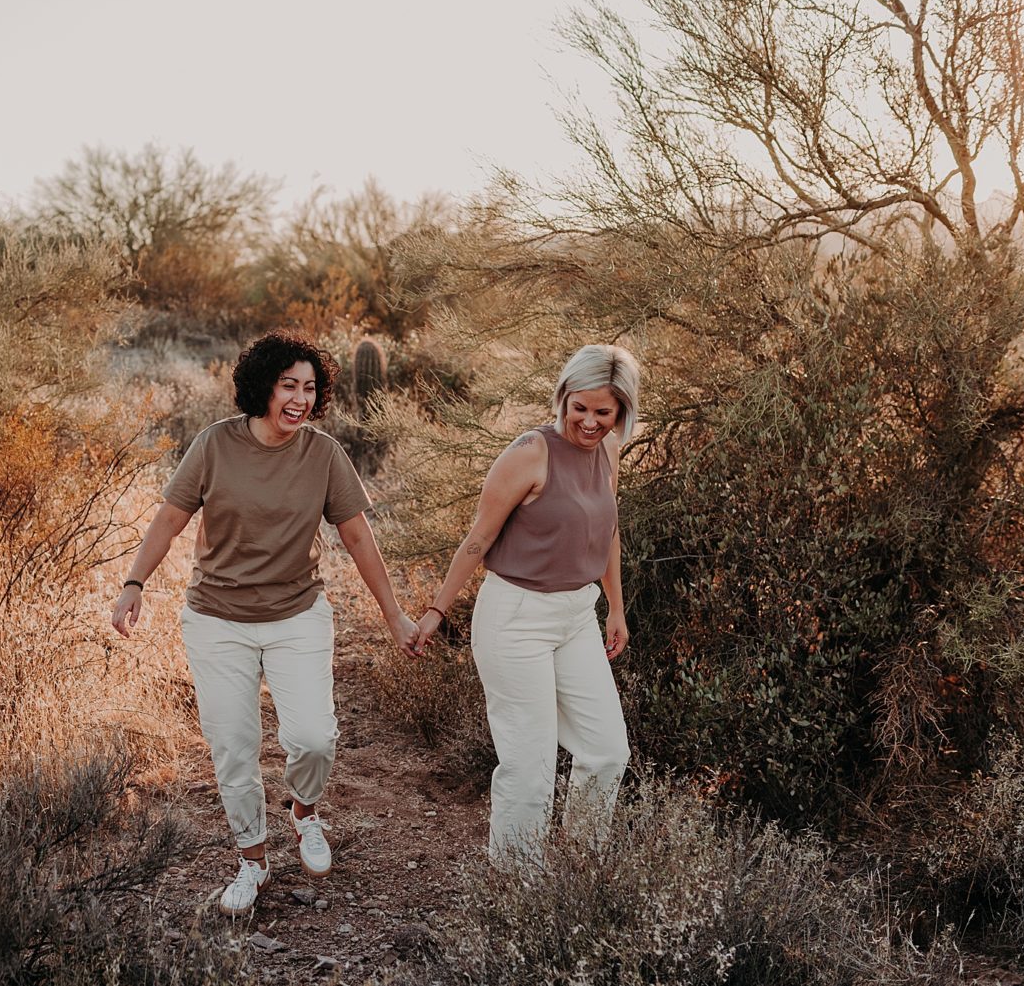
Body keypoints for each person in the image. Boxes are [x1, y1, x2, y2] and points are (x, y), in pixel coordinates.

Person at [112, 329, 417, 915]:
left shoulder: (323, 454)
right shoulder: (214, 445)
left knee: (314, 739)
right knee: (234, 747)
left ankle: (304, 811)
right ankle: (252, 860)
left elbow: (358, 538)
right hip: (217, 619)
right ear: (263, 388)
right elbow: (169, 519)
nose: (300, 399)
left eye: (310, 388)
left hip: (296, 614)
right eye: (288, 386)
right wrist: (134, 583)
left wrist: (395, 615)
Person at [411, 344, 639, 865]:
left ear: (621, 412)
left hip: (577, 616)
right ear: (563, 397)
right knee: (530, 768)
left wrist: (616, 608)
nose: (589, 422)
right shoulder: (531, 452)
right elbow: (479, 538)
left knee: (607, 751)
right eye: (579, 408)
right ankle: (515, 886)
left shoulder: (608, 451)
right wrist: (437, 611)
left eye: (603, 412)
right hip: (515, 617)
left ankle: (579, 867)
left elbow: (608, 531)